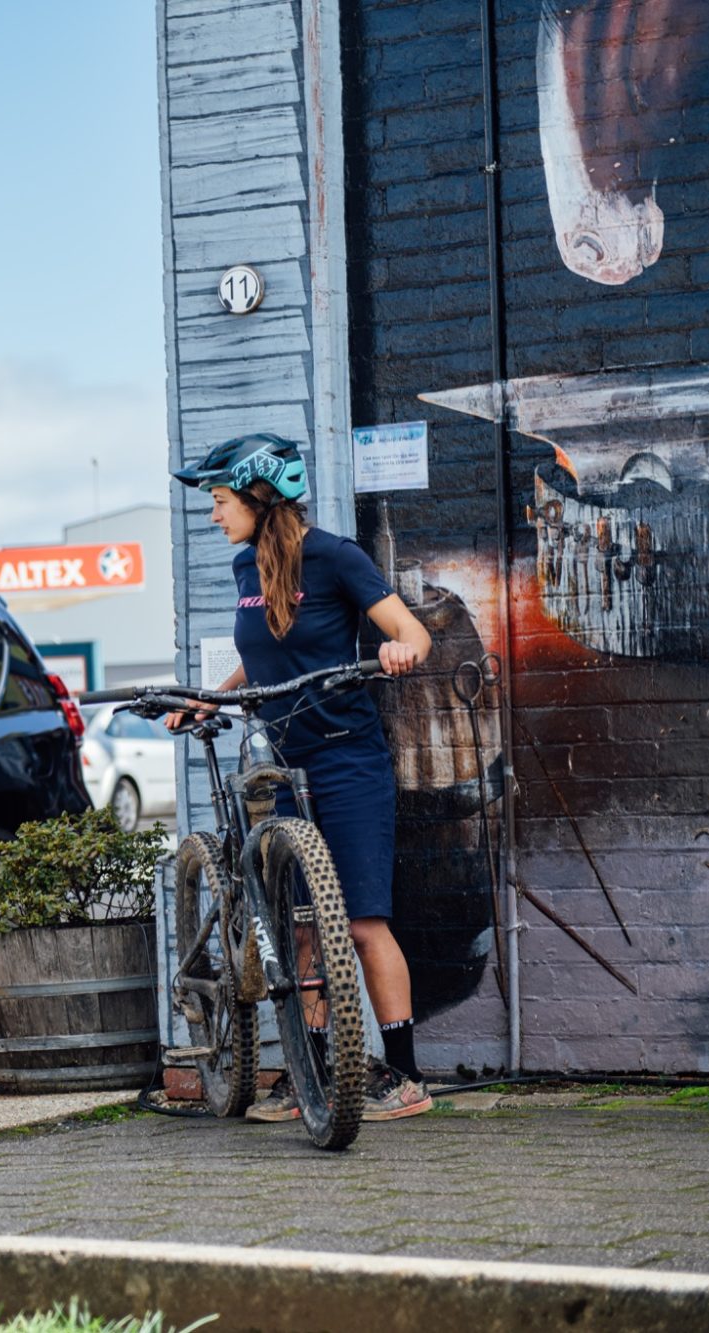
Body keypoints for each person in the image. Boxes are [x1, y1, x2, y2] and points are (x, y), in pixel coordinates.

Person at [170, 433, 436, 1122]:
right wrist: (214, 694)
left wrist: (402, 652)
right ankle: (310, 1072)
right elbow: (262, 655)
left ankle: (404, 1075)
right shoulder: (244, 567)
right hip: (281, 763)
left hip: (346, 759)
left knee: (363, 920)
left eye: (221, 501)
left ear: (261, 497)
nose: (212, 514)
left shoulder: (336, 556)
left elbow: (410, 630)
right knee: (301, 925)